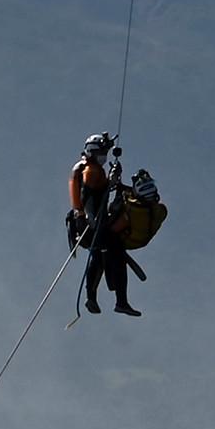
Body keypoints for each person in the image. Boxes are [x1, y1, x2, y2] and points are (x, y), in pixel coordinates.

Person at [68, 132, 140, 316]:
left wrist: (112, 180)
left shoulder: (84, 167)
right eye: (101, 152)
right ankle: (121, 301)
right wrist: (92, 218)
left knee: (98, 255)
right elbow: (87, 195)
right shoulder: (91, 170)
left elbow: (100, 191)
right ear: (92, 151)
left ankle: (91, 297)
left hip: (81, 223)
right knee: (115, 253)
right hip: (90, 223)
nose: (103, 156)